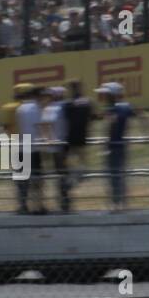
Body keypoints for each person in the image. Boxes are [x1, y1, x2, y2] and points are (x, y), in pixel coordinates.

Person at [97, 81, 149, 212]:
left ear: (111, 95)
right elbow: (142, 115)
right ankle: (122, 204)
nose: (103, 96)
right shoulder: (125, 107)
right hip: (120, 146)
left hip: (113, 147)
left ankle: (116, 205)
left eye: (105, 94)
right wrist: (148, 132)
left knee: (114, 177)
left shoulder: (112, 109)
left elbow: (111, 126)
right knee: (120, 176)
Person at [60, 79, 94, 208]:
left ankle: (71, 180)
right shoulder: (87, 102)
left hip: (70, 137)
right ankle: (79, 177)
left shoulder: (67, 104)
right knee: (82, 161)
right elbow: (91, 117)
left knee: (69, 163)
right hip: (83, 136)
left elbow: (65, 118)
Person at [14, 85, 47, 214]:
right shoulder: (38, 108)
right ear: (37, 96)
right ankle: (38, 206)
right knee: (37, 179)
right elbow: (40, 127)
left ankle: (23, 205)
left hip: (22, 146)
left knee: (22, 179)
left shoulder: (20, 108)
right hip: (35, 147)